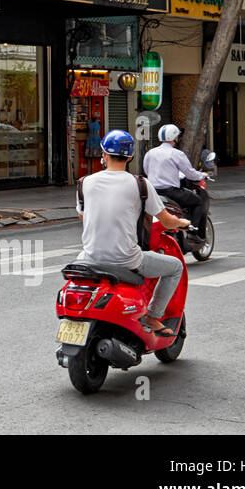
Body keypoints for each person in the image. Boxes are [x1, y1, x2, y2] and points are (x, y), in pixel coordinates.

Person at [76, 129, 191, 338]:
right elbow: (165, 220)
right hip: (127, 260)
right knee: (175, 267)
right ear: (129, 157)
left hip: (90, 258)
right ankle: (153, 317)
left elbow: (83, 217)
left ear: (103, 154)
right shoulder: (140, 185)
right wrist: (181, 222)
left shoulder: (85, 183)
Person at [143, 124, 210, 235]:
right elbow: (190, 174)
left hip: (153, 192)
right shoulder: (177, 154)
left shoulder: (150, 153)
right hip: (171, 192)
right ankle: (193, 230)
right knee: (198, 201)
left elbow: (147, 170)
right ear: (174, 137)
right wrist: (202, 175)